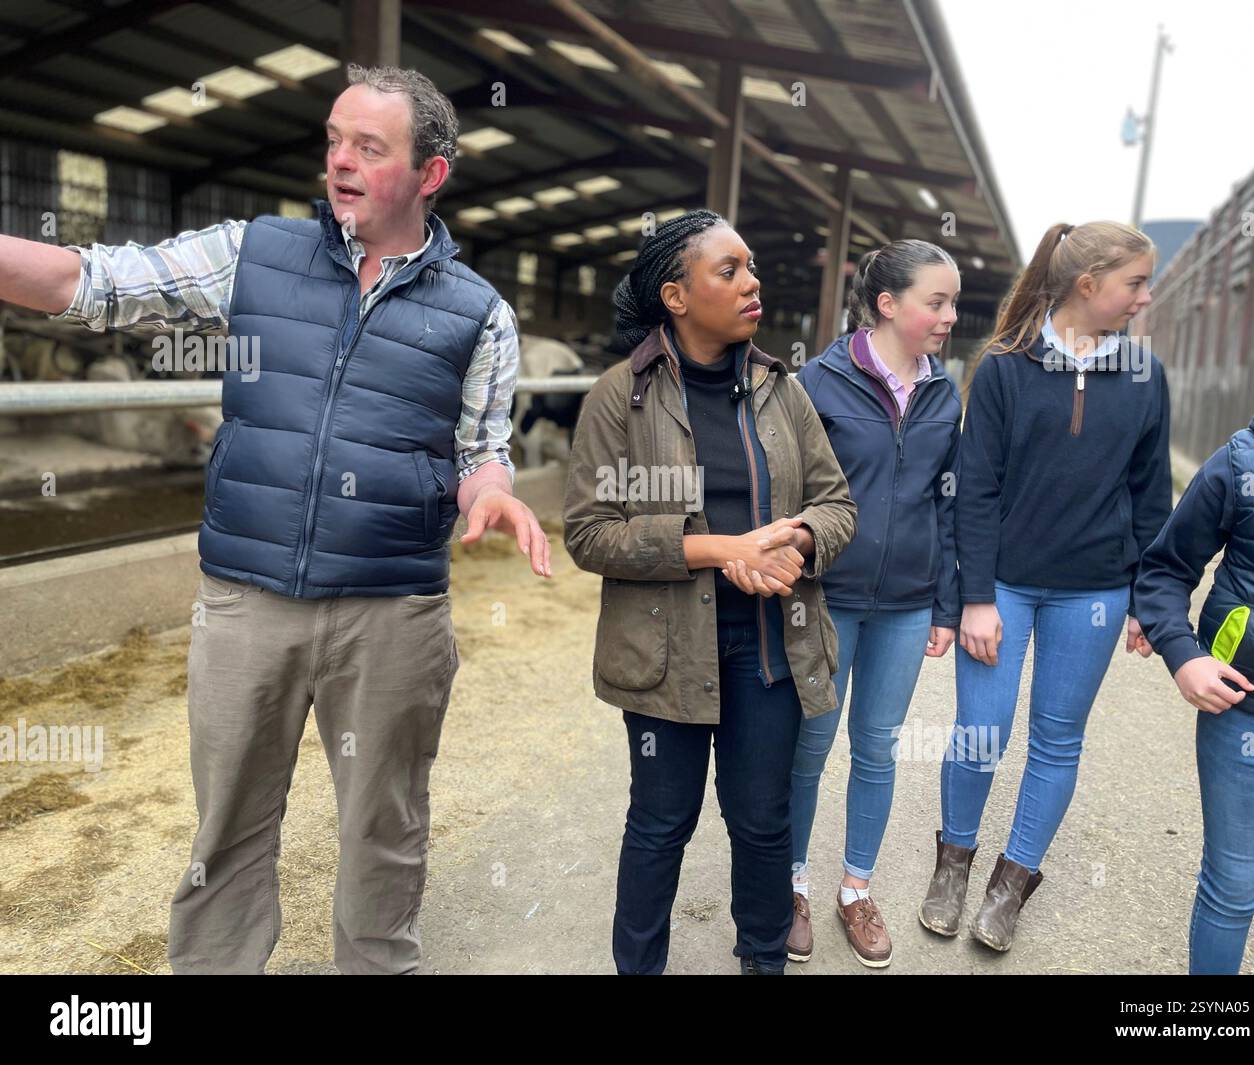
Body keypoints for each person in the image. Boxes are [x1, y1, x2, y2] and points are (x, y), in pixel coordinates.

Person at [0, 64, 549, 974]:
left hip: (392, 611)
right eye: (333, 140)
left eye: (368, 148)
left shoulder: (479, 314)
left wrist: (490, 489)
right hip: (246, 603)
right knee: (227, 828)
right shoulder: (253, 252)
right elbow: (92, 281)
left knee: (385, 824)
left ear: (430, 174)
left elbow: (480, 447)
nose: (339, 162)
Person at [562, 209, 857, 974]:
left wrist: (793, 541)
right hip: (664, 655)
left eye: (750, 266)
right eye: (728, 271)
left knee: (763, 821)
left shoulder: (780, 391)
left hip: (769, 647)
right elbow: (591, 532)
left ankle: (764, 960)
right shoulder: (619, 398)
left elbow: (837, 505)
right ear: (676, 296)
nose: (751, 281)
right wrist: (719, 549)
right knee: (661, 822)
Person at [920, 221, 1172, 951]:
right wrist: (975, 596)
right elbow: (976, 490)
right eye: (1134, 284)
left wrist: (1148, 600)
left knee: (1058, 740)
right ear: (1088, 285)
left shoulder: (1144, 375)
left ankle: (1010, 883)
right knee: (981, 731)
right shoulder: (1003, 367)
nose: (1143, 298)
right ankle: (953, 864)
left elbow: (1152, 495)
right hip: (1005, 587)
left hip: (1094, 593)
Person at [787, 240, 961, 966]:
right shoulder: (814, 384)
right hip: (828, 596)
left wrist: (947, 604)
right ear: (888, 304)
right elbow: (786, 496)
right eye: (937, 301)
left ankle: (854, 888)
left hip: (908, 602)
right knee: (809, 744)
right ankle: (789, 883)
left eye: (954, 302)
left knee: (878, 747)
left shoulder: (945, 393)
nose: (950, 315)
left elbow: (951, 505)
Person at [1134, 323, 1254, 975]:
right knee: (1233, 890)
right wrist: (1185, 653)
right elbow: (1166, 567)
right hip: (1247, 717)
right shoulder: (1241, 463)